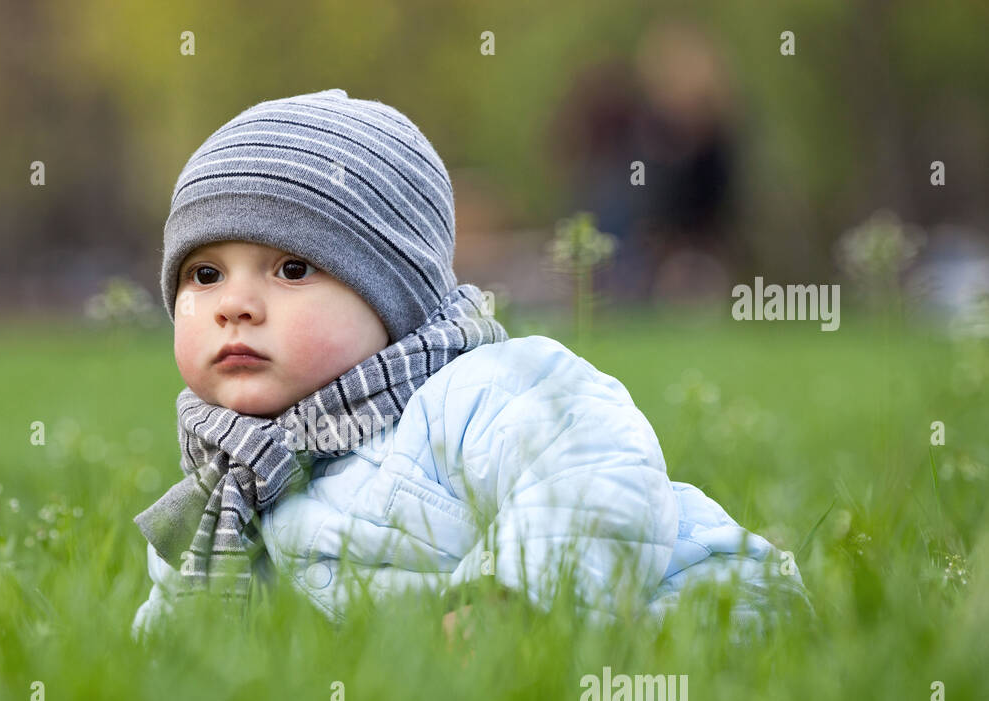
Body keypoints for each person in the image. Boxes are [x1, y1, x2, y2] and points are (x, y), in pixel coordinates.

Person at [131, 89, 807, 641]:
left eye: (293, 267)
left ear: (392, 293)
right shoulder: (225, 484)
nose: (236, 305)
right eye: (206, 273)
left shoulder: (477, 391)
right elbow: (184, 629)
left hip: (679, 612)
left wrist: (515, 604)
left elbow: (592, 472)